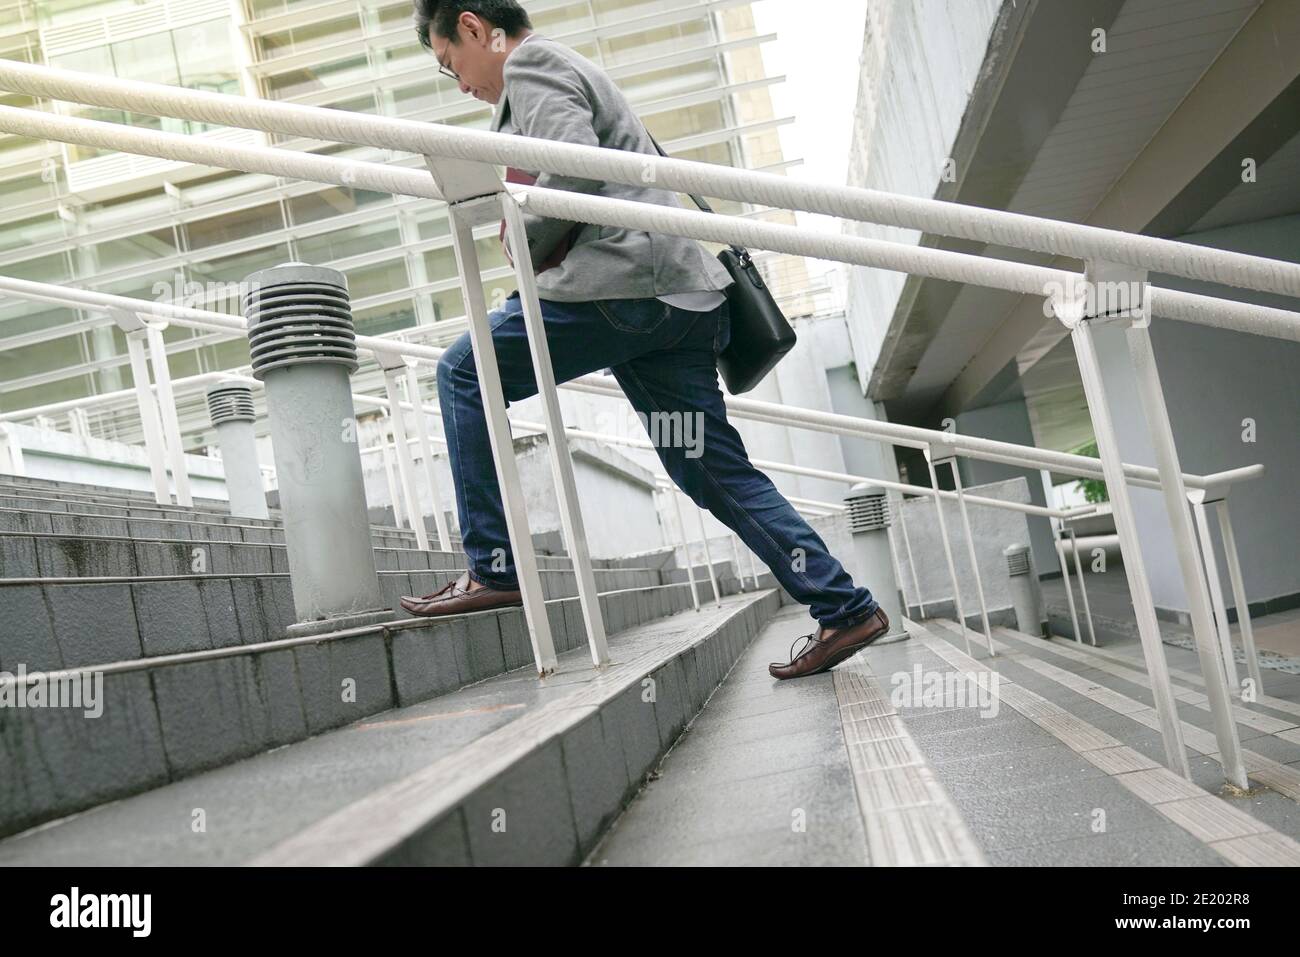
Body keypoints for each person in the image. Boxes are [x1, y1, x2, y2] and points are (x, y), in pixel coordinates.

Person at [401, 0, 889, 678]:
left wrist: (519, 240)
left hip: (624, 289)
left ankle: (494, 566)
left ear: (477, 29)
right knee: (709, 466)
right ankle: (845, 606)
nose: (460, 85)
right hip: (673, 300)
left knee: (464, 369)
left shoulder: (534, 64)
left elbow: (571, 165)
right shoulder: (564, 68)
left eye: (451, 63)